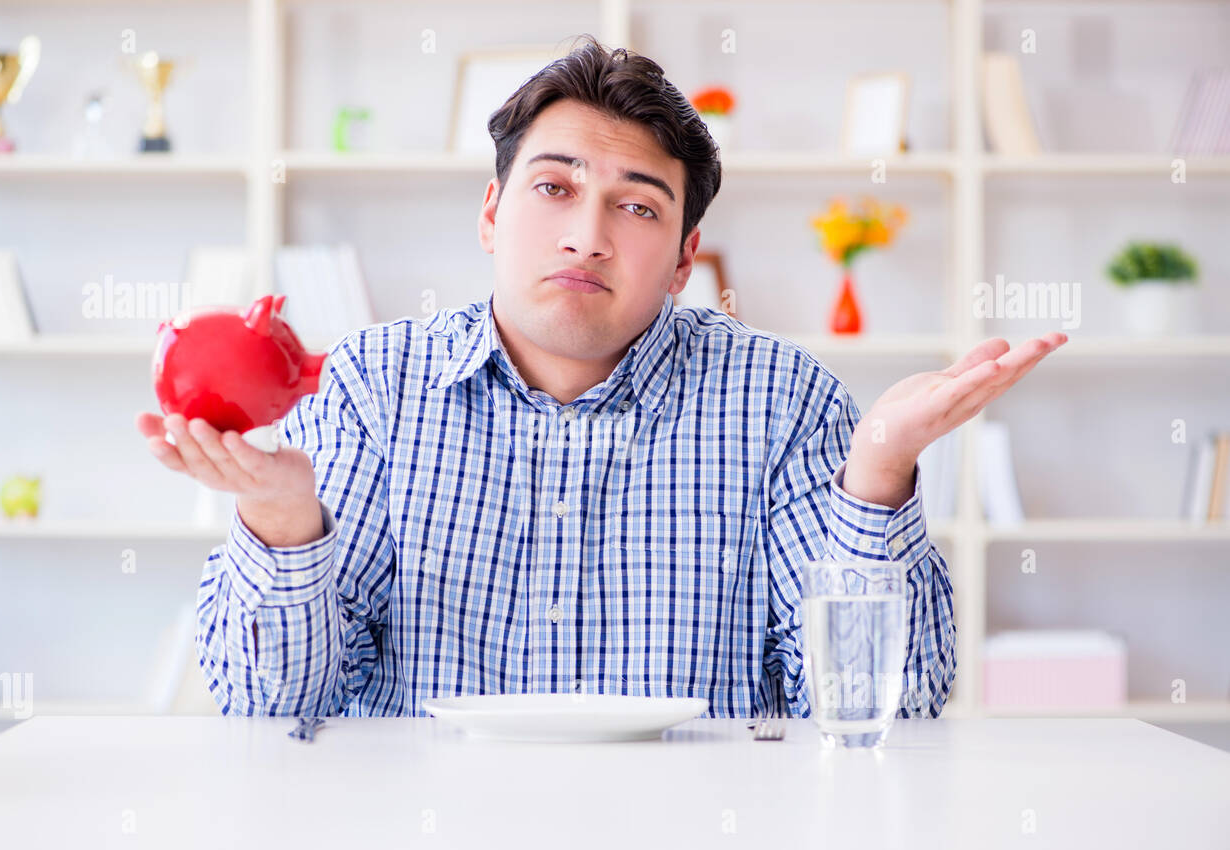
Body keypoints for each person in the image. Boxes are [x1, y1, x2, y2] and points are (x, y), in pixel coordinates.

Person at [136, 36, 1065, 719]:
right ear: (492, 212)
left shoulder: (782, 401)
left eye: (636, 205)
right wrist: (287, 527)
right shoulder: (375, 388)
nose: (588, 233)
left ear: (682, 256)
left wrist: (878, 473)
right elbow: (266, 707)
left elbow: (895, 712)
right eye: (554, 188)